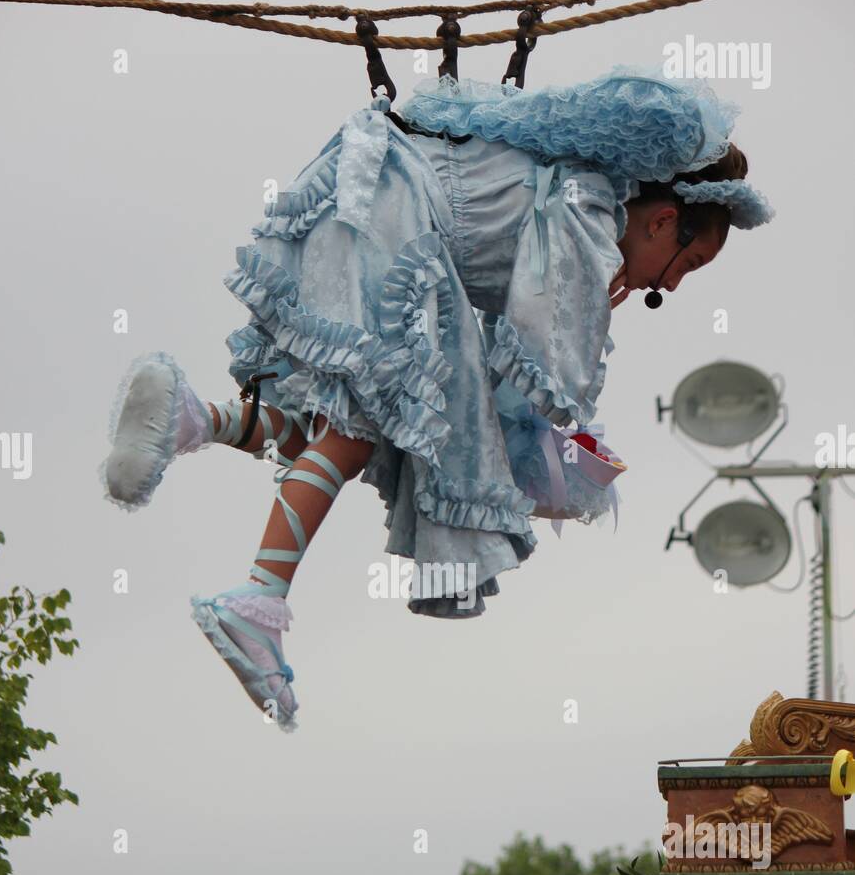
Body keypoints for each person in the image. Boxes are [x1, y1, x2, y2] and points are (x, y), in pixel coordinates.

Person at [100, 63, 774, 730]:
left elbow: (506, 347)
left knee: (352, 426)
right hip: (389, 215)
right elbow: (540, 367)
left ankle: (192, 418)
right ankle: (259, 600)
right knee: (362, 424)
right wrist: (559, 463)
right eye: (685, 267)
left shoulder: (573, 196)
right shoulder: (586, 215)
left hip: (368, 193)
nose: (675, 285)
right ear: (662, 223)